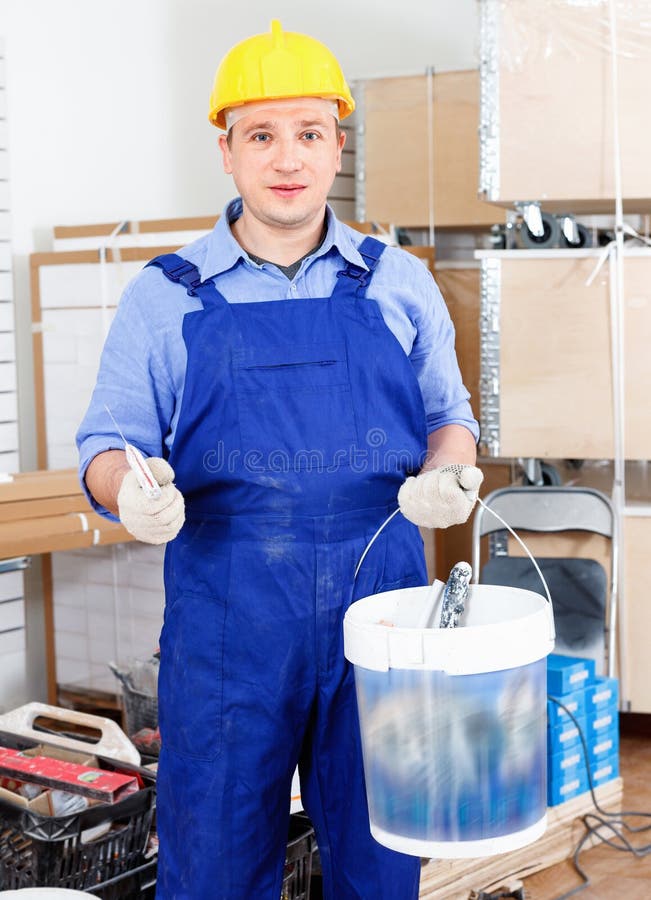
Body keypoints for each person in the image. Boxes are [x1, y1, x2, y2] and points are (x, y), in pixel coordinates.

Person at [77, 20, 482, 900]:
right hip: (229, 627)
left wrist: (448, 473)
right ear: (225, 151)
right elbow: (106, 443)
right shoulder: (164, 295)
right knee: (216, 865)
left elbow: (451, 419)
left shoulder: (397, 281)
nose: (286, 157)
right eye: (260, 135)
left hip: (382, 611)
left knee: (381, 861)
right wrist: (130, 490)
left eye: (307, 132)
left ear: (338, 144)